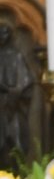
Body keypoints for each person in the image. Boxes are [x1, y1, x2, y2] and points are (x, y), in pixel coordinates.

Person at [0, 22, 33, 167]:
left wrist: (13, 92)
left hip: (14, 107)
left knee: (15, 144)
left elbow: (26, 81)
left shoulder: (16, 56)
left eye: (5, 33)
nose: (2, 36)